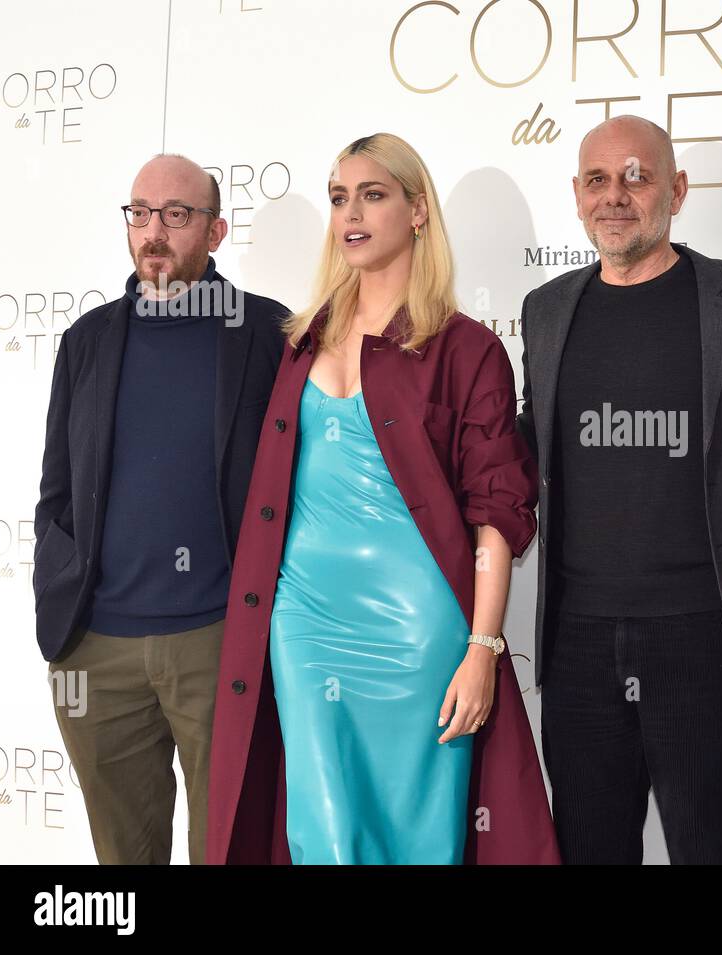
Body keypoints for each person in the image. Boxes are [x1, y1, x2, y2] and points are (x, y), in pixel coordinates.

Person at [205, 133, 558, 865]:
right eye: (339, 198)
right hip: (304, 621)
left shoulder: (467, 348)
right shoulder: (301, 340)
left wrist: (482, 648)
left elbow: (497, 510)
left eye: (373, 194)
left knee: (420, 839)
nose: (351, 213)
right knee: (324, 834)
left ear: (418, 210)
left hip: (419, 628)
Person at [517, 115, 722, 864]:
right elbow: (523, 452)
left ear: (676, 189)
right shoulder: (545, 310)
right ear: (576, 196)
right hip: (577, 646)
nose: (616, 196)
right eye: (598, 180)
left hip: (707, 637)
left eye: (636, 176)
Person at [34, 154, 289, 863]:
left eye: (176, 215)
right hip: (97, 652)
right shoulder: (86, 339)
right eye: (140, 213)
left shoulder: (268, 333)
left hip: (219, 640)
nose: (154, 231)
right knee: (122, 861)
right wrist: (57, 590)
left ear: (214, 231)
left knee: (230, 847)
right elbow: (57, 486)